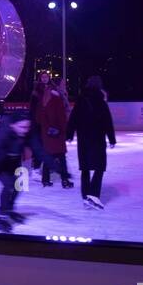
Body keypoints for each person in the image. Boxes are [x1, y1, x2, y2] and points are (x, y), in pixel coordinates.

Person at [66, 76, 116, 209]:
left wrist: (69, 134)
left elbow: (73, 118)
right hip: (97, 139)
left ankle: (85, 196)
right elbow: (107, 121)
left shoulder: (81, 99)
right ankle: (93, 195)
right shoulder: (101, 101)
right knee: (99, 166)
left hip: (83, 139)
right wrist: (111, 139)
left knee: (85, 168)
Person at [29, 72, 73, 189]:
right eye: (63, 84)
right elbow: (61, 116)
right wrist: (62, 129)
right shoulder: (54, 96)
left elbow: (39, 115)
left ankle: (46, 179)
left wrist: (45, 126)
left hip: (46, 130)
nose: (64, 86)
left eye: (46, 77)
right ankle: (64, 180)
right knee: (60, 156)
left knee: (49, 154)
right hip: (55, 131)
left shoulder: (47, 96)